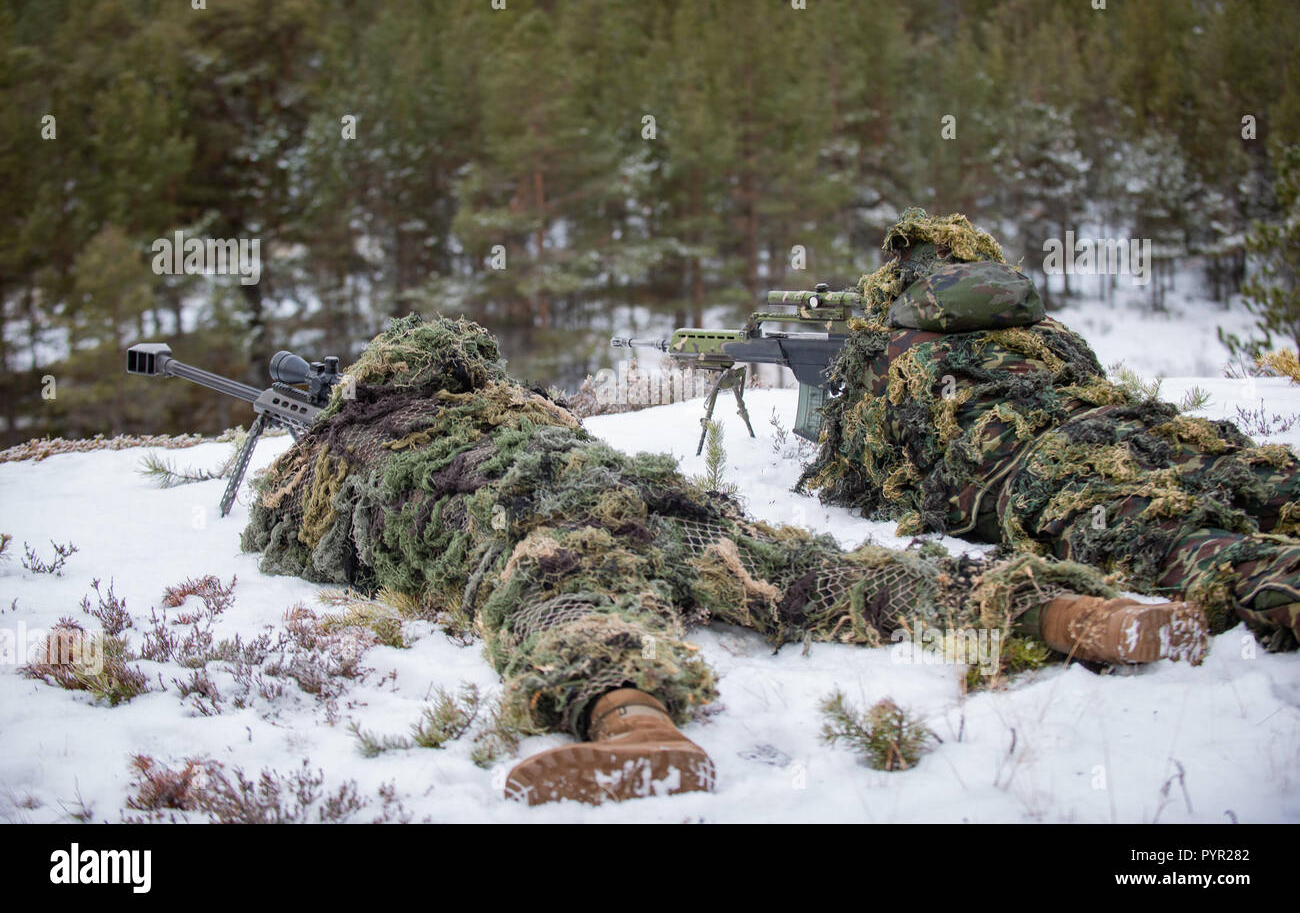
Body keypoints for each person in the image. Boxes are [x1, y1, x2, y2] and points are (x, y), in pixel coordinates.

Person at [241, 310, 1207, 807]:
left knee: (561, 593)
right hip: (666, 506)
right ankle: (1070, 613)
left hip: (532, 521)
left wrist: (320, 439)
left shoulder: (363, 438)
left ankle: (635, 728)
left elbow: (301, 535)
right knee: (825, 573)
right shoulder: (525, 406)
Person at [801, 208, 1300, 651]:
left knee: (1144, 531)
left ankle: (1272, 579)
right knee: (1231, 472)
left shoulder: (891, 347)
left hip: (1018, 465)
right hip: (1115, 425)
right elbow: (1092, 379)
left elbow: (863, 468)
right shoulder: (1045, 328)